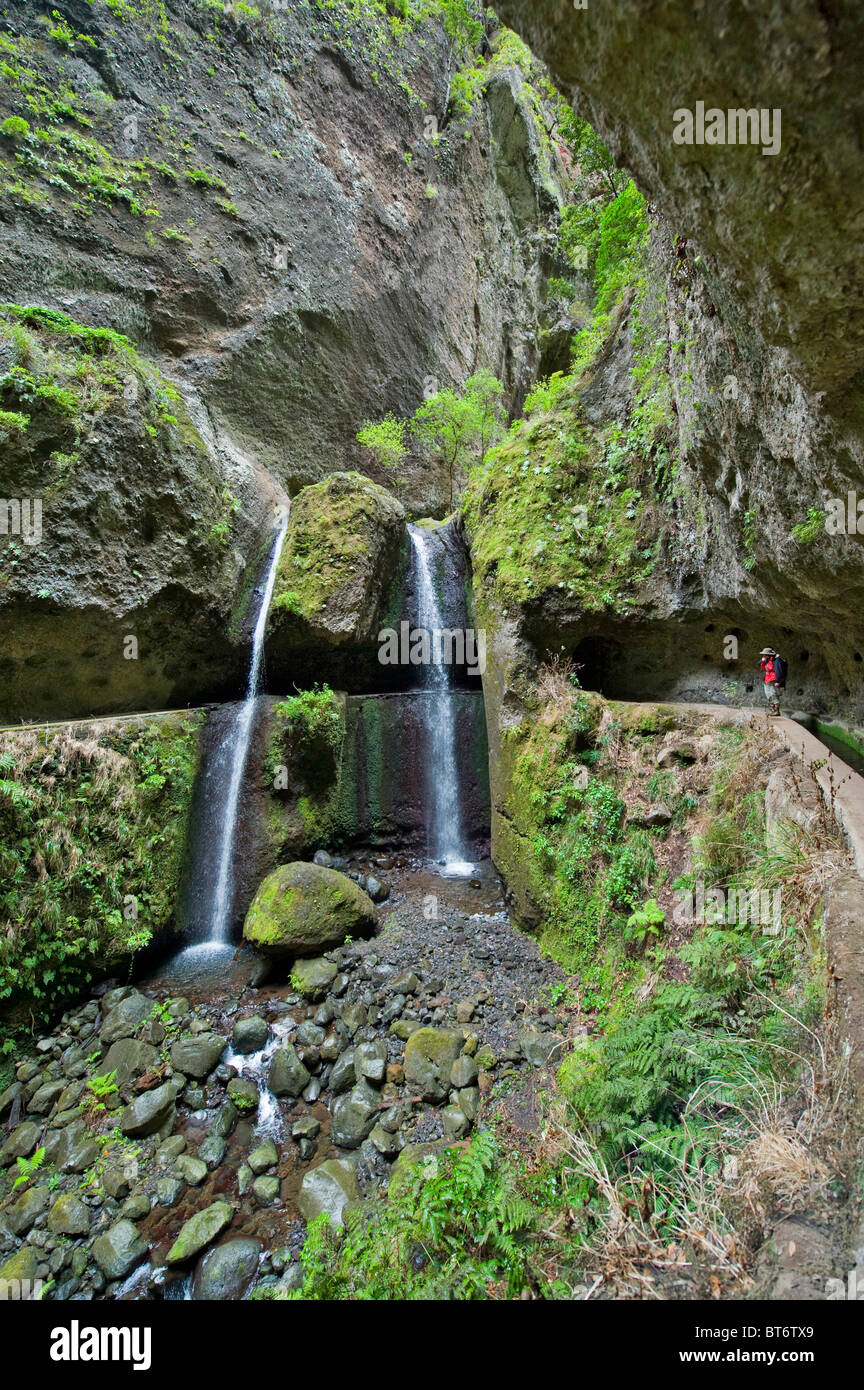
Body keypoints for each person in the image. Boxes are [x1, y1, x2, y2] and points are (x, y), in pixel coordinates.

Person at [759, 646, 784, 716]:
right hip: (767, 680)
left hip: (773, 680)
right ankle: (772, 710)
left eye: (764, 654)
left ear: (768, 655)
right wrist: (762, 660)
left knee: (774, 694)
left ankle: (776, 711)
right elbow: (759, 664)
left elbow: (779, 671)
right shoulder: (767, 660)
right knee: (768, 695)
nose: (763, 656)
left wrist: (777, 681)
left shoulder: (777, 661)